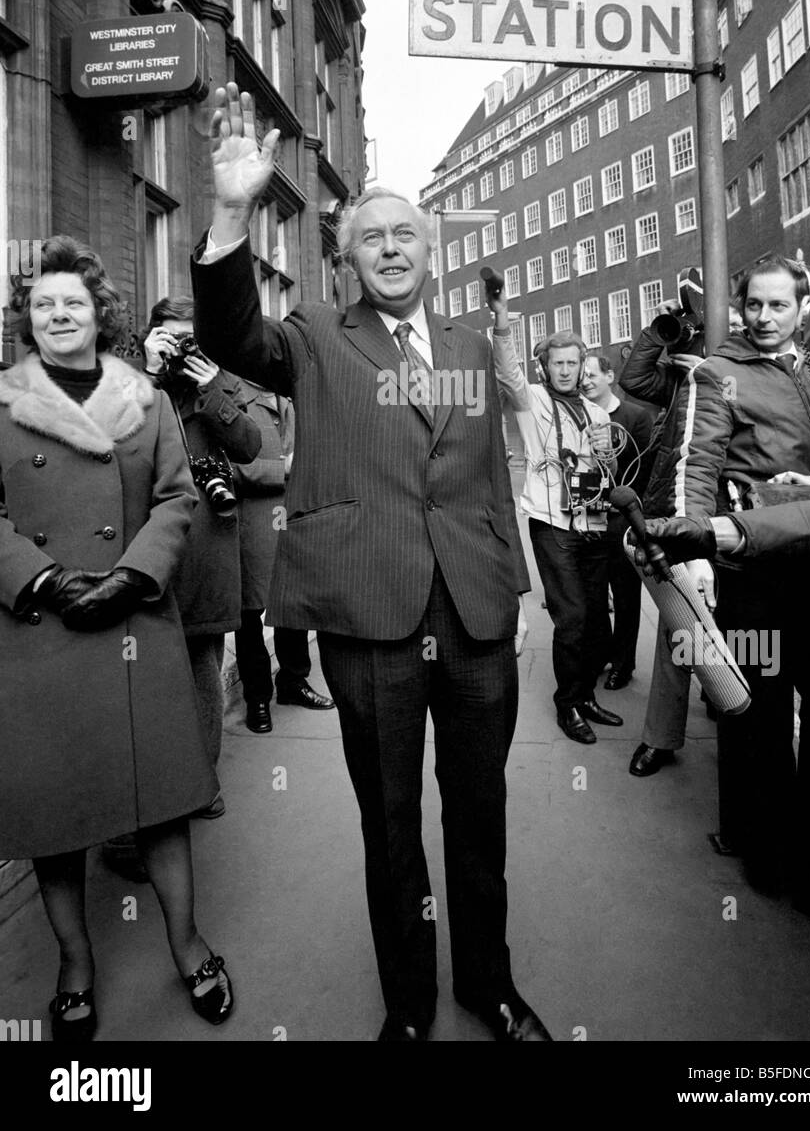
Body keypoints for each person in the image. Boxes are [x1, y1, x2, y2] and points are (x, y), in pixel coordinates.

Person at [190, 82, 550, 1042]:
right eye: (371, 239)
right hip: (370, 613)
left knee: (480, 816)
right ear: (345, 260)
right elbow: (229, 336)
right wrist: (232, 209)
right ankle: (409, 1005)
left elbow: (476, 475)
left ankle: (490, 982)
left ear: (432, 251)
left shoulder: (475, 345)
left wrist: (513, 592)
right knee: (390, 826)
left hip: (472, 615)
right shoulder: (312, 336)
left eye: (407, 235)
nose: (391, 248)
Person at [0, 237, 233, 1041]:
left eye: (73, 302)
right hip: (39, 630)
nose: (59, 315)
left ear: (101, 312)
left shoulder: (147, 398)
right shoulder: (0, 401)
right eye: (43, 305)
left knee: (160, 802)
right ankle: (75, 966)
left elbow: (176, 499)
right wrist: (46, 580)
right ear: (27, 321)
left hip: (136, 619)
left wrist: (130, 577)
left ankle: (188, 943)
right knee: (54, 817)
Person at [669, 252, 810, 919]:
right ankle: (774, 855)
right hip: (749, 575)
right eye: (755, 304)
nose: (765, 317)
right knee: (764, 714)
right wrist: (694, 548)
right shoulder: (717, 375)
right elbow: (697, 462)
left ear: (803, 308)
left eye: (780, 305)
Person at [487, 284, 620, 746]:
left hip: (594, 521)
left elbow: (608, 472)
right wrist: (503, 319)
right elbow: (507, 372)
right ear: (545, 366)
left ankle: (585, 696)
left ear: (583, 367)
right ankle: (568, 706)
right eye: (557, 363)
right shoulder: (532, 402)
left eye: (573, 363)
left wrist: (607, 459)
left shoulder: (597, 414)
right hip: (553, 524)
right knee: (573, 618)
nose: (565, 371)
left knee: (597, 624)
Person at [142, 299, 261, 812]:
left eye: (191, 337)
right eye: (172, 337)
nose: (182, 347)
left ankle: (201, 787)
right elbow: (115, 436)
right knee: (145, 681)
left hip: (208, 549)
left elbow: (251, 445)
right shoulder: (134, 385)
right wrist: (151, 371)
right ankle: (146, 803)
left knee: (202, 671)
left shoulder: (220, 382)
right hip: (148, 550)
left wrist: (212, 386)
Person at [619, 304, 739, 777]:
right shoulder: (684, 377)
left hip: (741, 514)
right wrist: (663, 331)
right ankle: (661, 737)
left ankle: (726, 700)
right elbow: (634, 377)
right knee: (681, 624)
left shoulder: (753, 374)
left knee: (738, 622)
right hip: (682, 513)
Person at [231, 381, 333, 733]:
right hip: (252, 522)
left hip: (294, 517)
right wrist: (283, 469)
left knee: (294, 604)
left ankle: (293, 682)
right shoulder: (232, 395)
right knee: (249, 614)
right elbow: (225, 466)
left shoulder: (289, 394)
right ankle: (257, 697)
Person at [580, 354, 654, 691]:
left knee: (625, 597)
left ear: (610, 376)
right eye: (583, 376)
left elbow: (643, 471)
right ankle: (599, 653)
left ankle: (622, 664)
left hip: (623, 518)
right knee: (592, 595)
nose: (585, 381)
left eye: (592, 375)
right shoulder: (577, 416)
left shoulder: (636, 417)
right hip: (588, 515)